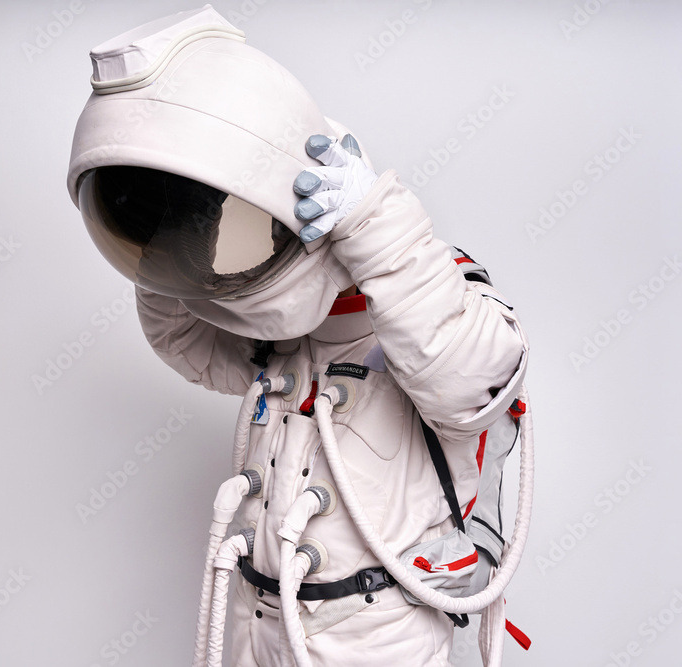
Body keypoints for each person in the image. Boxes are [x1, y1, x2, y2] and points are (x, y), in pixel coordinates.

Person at [67, 7, 531, 666]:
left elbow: (465, 381)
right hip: (263, 615)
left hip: (374, 633)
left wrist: (374, 220)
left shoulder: (438, 296)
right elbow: (187, 344)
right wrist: (166, 238)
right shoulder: (293, 335)